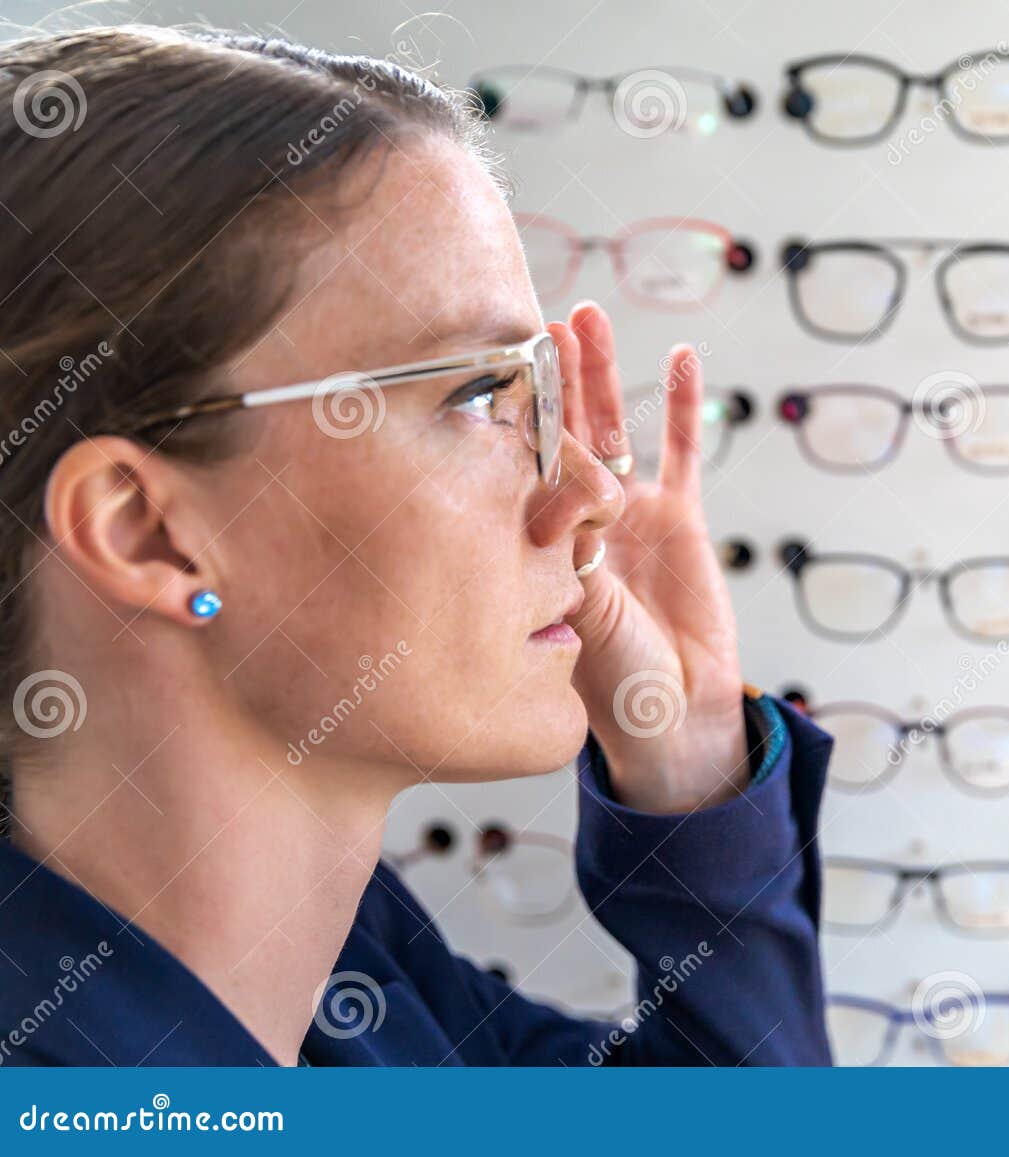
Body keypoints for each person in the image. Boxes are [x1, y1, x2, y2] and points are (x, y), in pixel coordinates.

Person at [0, 26, 832, 1066]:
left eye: (538, 390)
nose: (592, 493)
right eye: (479, 392)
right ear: (148, 531)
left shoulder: (364, 988)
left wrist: (691, 754)